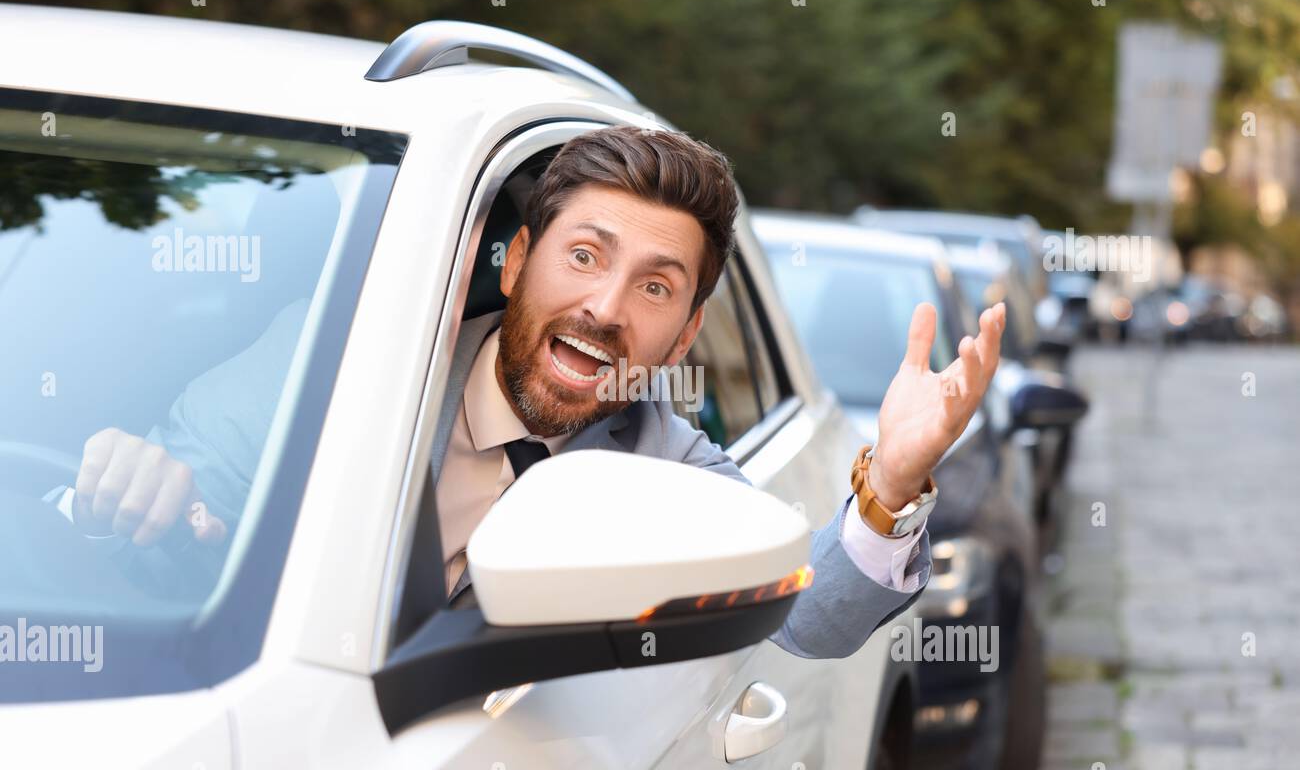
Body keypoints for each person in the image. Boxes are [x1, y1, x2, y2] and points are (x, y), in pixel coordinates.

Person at [67, 126, 1005, 659]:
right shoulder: (333, 359)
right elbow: (191, 496)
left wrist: (892, 476)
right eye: (584, 256)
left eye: (654, 285)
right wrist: (144, 492)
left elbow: (808, 614)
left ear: (682, 336)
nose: (604, 307)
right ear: (516, 264)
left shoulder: (666, 462)